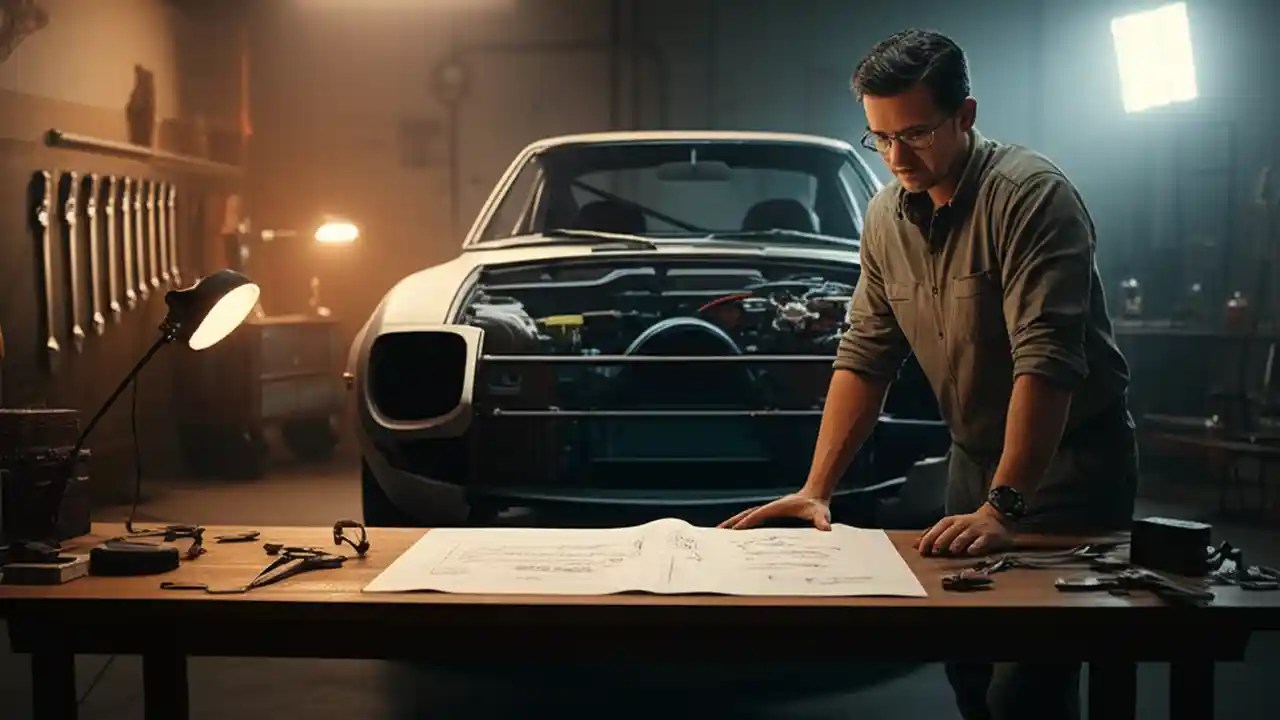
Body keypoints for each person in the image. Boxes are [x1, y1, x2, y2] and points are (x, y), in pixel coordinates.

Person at [718, 28, 1138, 720]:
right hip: (971, 463)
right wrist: (816, 489)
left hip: (1072, 467)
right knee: (968, 671)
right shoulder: (884, 216)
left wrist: (1005, 507)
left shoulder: (1031, 198)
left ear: (965, 116)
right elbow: (865, 354)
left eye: (913, 134)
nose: (894, 157)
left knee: (1027, 689)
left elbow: (1048, 359)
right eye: (878, 138)